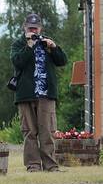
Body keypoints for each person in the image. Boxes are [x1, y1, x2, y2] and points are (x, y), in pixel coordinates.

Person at [12, 12, 68, 172]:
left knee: (47, 131)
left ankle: (50, 166)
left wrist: (54, 47)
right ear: (25, 28)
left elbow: (62, 61)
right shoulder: (18, 44)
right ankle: (33, 166)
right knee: (29, 132)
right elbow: (17, 63)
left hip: (46, 94)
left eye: (35, 28)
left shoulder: (47, 43)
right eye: (30, 28)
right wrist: (29, 46)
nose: (33, 31)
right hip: (26, 95)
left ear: (40, 28)